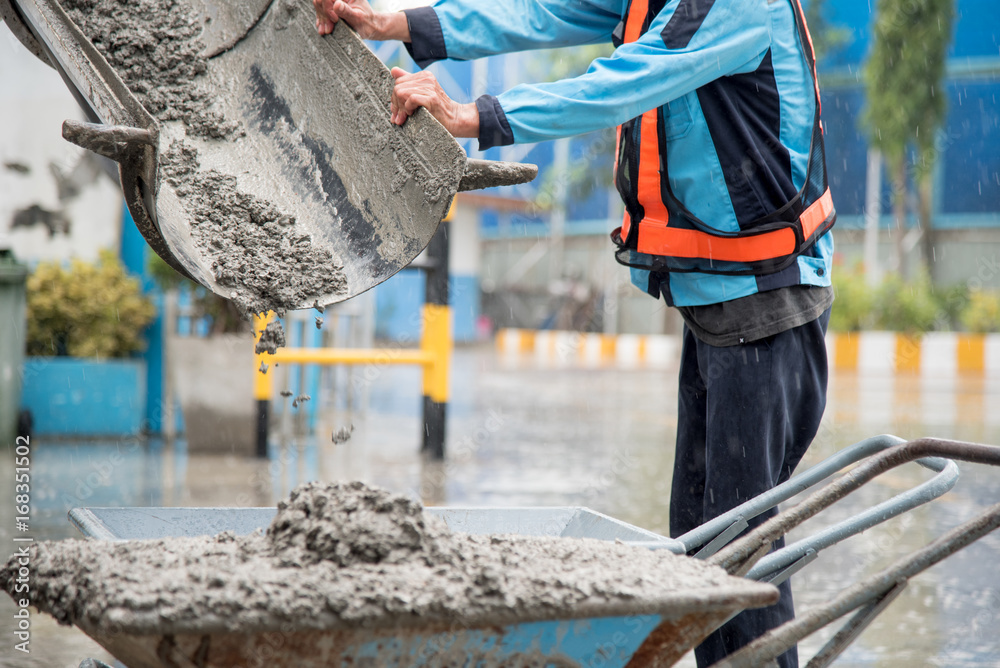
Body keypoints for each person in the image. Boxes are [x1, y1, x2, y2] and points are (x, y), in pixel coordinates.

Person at [313, 1, 835, 665]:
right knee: (704, 544)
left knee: (742, 554)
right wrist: (395, 23)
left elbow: (628, 80)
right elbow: (539, 12)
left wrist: (478, 117)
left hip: (768, 306)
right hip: (719, 308)